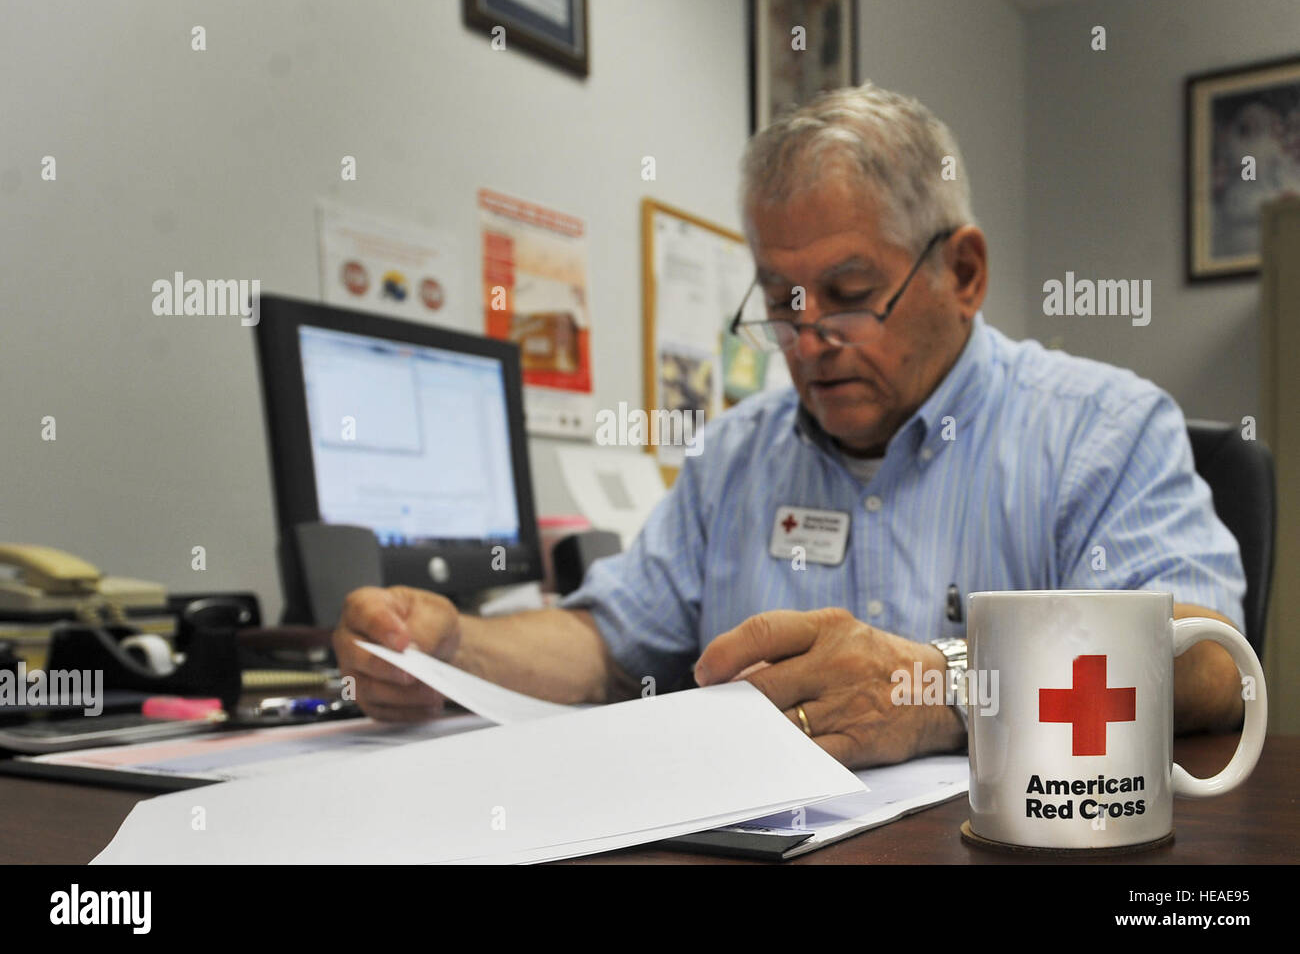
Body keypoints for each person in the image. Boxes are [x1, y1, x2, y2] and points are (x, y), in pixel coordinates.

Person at [333, 82, 1247, 768]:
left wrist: (943, 688)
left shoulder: (1101, 428)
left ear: (963, 273)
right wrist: (455, 650)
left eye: (850, 297)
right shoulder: (738, 454)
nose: (809, 343)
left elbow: (1209, 664)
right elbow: (608, 642)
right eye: (783, 302)